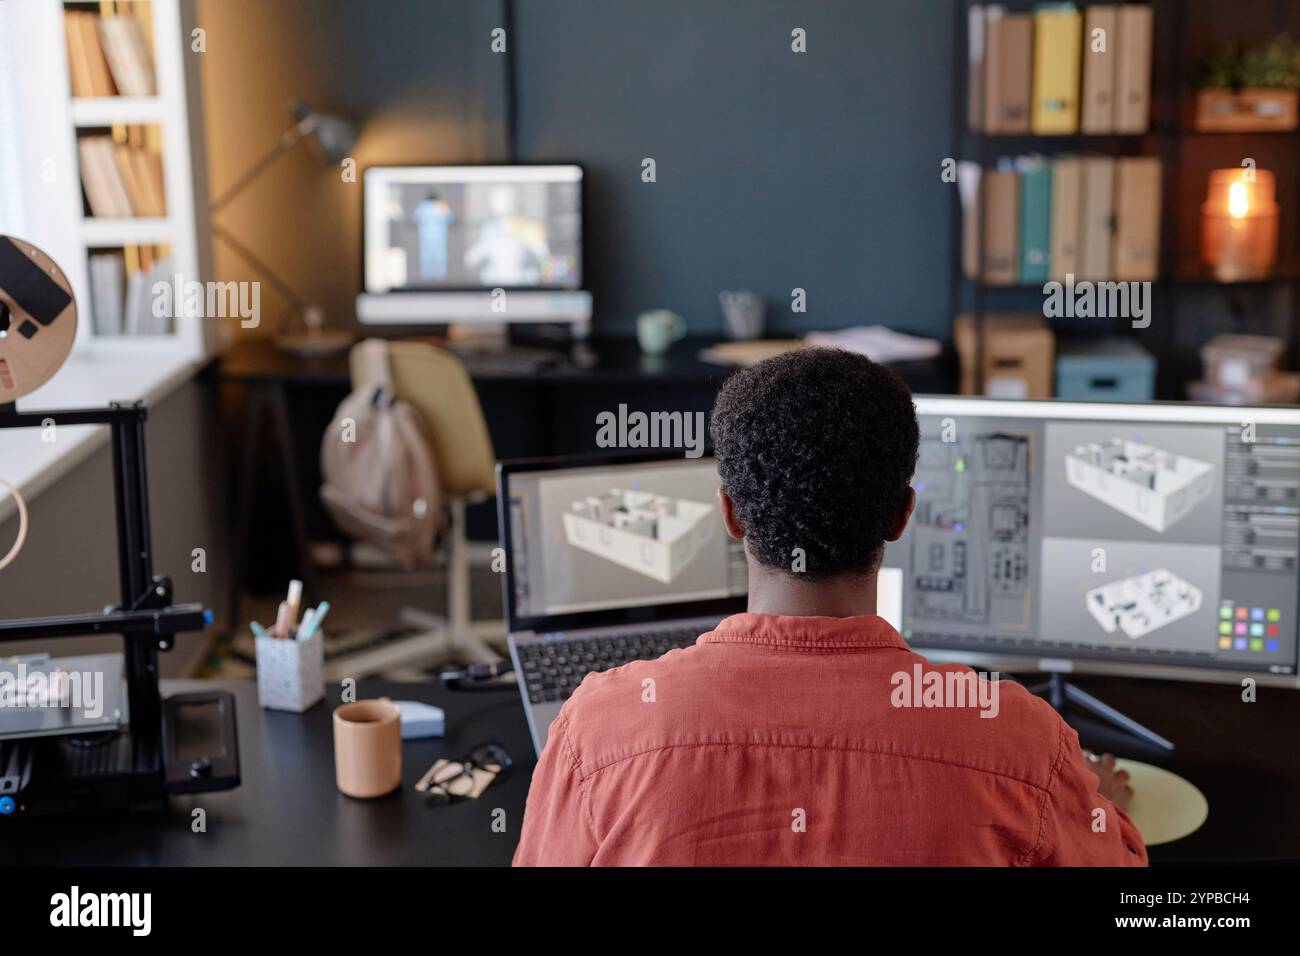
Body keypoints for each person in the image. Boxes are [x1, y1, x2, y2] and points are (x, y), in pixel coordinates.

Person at [514, 348, 1147, 866]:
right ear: (901, 515)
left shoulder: (595, 734)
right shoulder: (1021, 744)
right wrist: (1104, 811)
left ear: (730, 513)